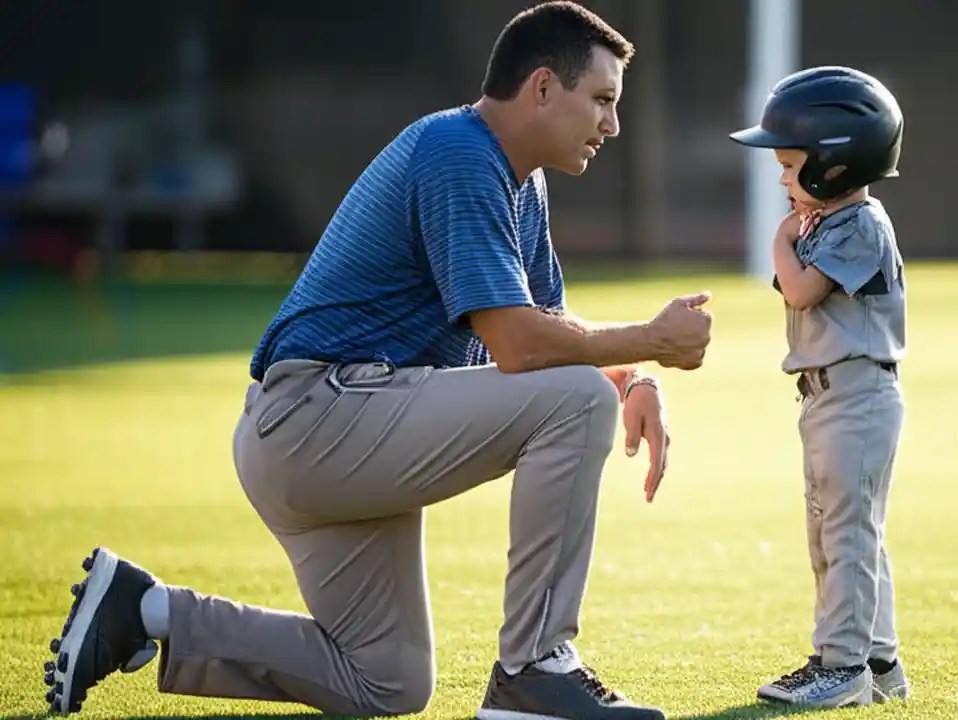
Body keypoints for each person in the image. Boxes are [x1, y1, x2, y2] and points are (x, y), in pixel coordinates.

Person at [43, 3, 712, 718]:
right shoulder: (461, 152)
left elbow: (552, 328)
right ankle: (534, 669)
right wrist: (649, 341)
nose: (612, 124)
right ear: (543, 88)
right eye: (603, 100)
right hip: (318, 419)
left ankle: (144, 611)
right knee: (577, 399)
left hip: (326, 431)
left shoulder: (521, 178)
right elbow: (522, 349)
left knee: (386, 681)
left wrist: (632, 377)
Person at [729, 66, 912, 708]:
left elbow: (803, 289)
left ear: (831, 166)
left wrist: (780, 239)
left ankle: (842, 664)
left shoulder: (860, 223)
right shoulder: (828, 222)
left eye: (789, 165)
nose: (782, 179)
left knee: (848, 535)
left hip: (858, 397)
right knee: (841, 534)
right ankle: (878, 660)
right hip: (828, 397)